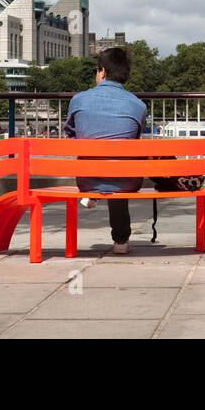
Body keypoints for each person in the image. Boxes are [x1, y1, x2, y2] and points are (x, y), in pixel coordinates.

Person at [65, 47, 148, 254]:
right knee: (120, 169)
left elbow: (70, 133)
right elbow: (134, 138)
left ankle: (94, 193)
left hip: (87, 178)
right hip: (126, 180)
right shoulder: (138, 105)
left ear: (102, 72)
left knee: (95, 155)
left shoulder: (79, 100)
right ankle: (121, 241)